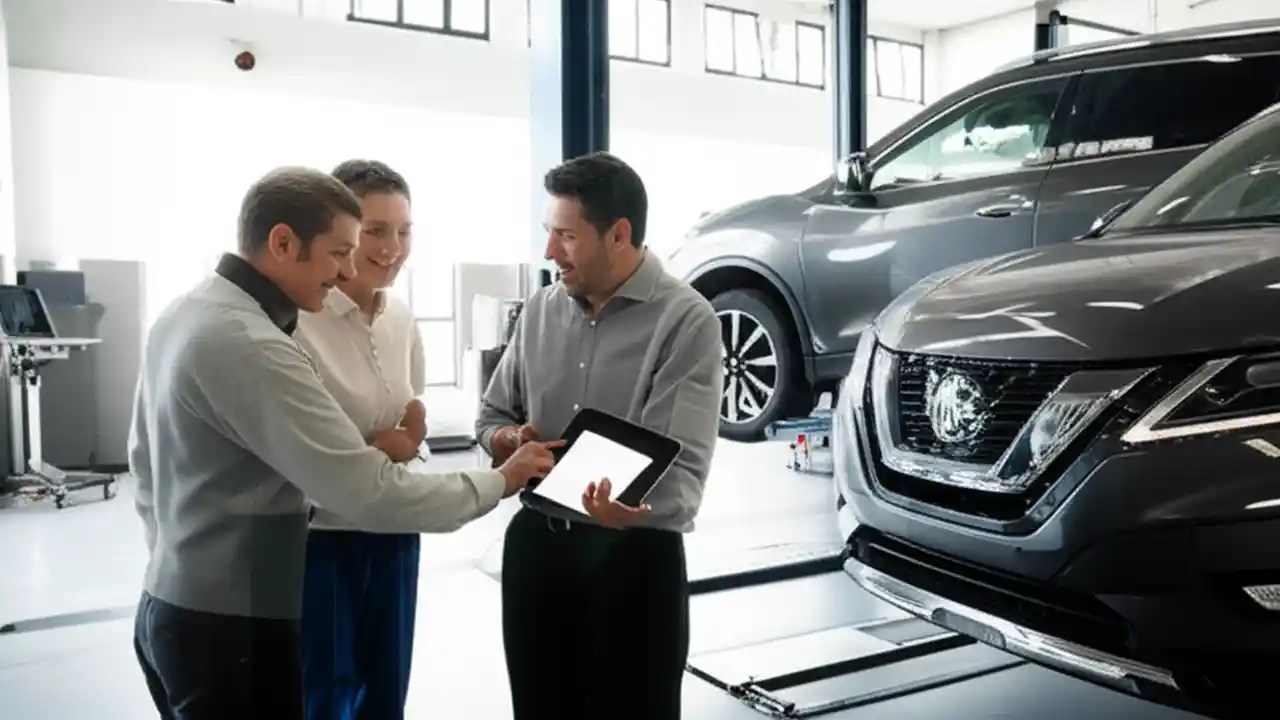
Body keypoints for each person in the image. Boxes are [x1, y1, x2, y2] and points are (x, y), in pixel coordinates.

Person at [128, 165, 560, 720]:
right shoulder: (255, 342)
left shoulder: (188, 312)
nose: (350, 267)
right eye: (340, 251)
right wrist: (501, 479)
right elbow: (368, 492)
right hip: (235, 622)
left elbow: (144, 466)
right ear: (283, 242)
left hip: (180, 599)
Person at [476, 151, 724, 720]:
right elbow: (490, 417)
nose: (548, 252)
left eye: (564, 234)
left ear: (618, 234)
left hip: (632, 560)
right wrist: (507, 441)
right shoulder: (539, 312)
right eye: (547, 233)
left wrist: (632, 507)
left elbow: (682, 477)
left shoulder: (686, 322)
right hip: (538, 549)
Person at [291, 159, 427, 720]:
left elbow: (410, 424)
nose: (392, 248)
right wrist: (388, 445)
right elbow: (305, 454)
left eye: (404, 230)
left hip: (394, 530)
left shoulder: (401, 320)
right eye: (374, 231)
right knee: (326, 693)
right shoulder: (298, 322)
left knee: (387, 690)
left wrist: (390, 443)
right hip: (322, 540)